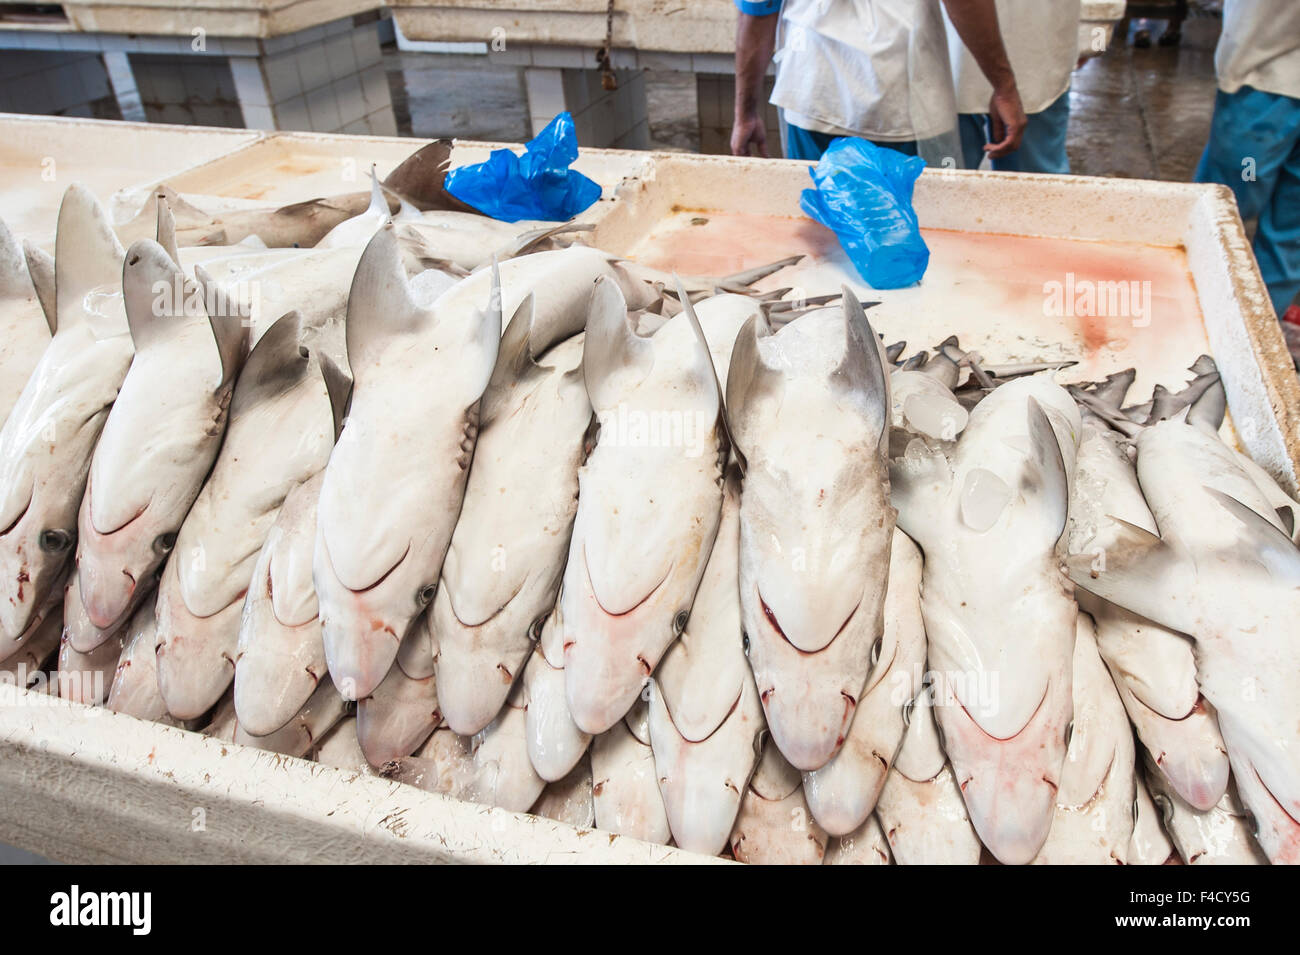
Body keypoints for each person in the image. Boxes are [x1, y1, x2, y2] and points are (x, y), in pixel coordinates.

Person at [730, 0, 1027, 165]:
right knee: (928, 238)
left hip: (814, 89)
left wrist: (746, 113)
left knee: (824, 243)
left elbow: (757, 11)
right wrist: (1004, 87)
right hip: (905, 92)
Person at [1195, 0, 1300, 319]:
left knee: (1288, 230)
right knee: (1224, 214)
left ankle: (1256, 331)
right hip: (1265, 74)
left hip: (1263, 75)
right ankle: (1201, 323)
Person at [948, 0, 1081, 174]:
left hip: (1036, 54)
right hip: (1034, 55)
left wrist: (1096, 38)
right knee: (944, 180)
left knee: (946, 178)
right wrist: (1004, 89)